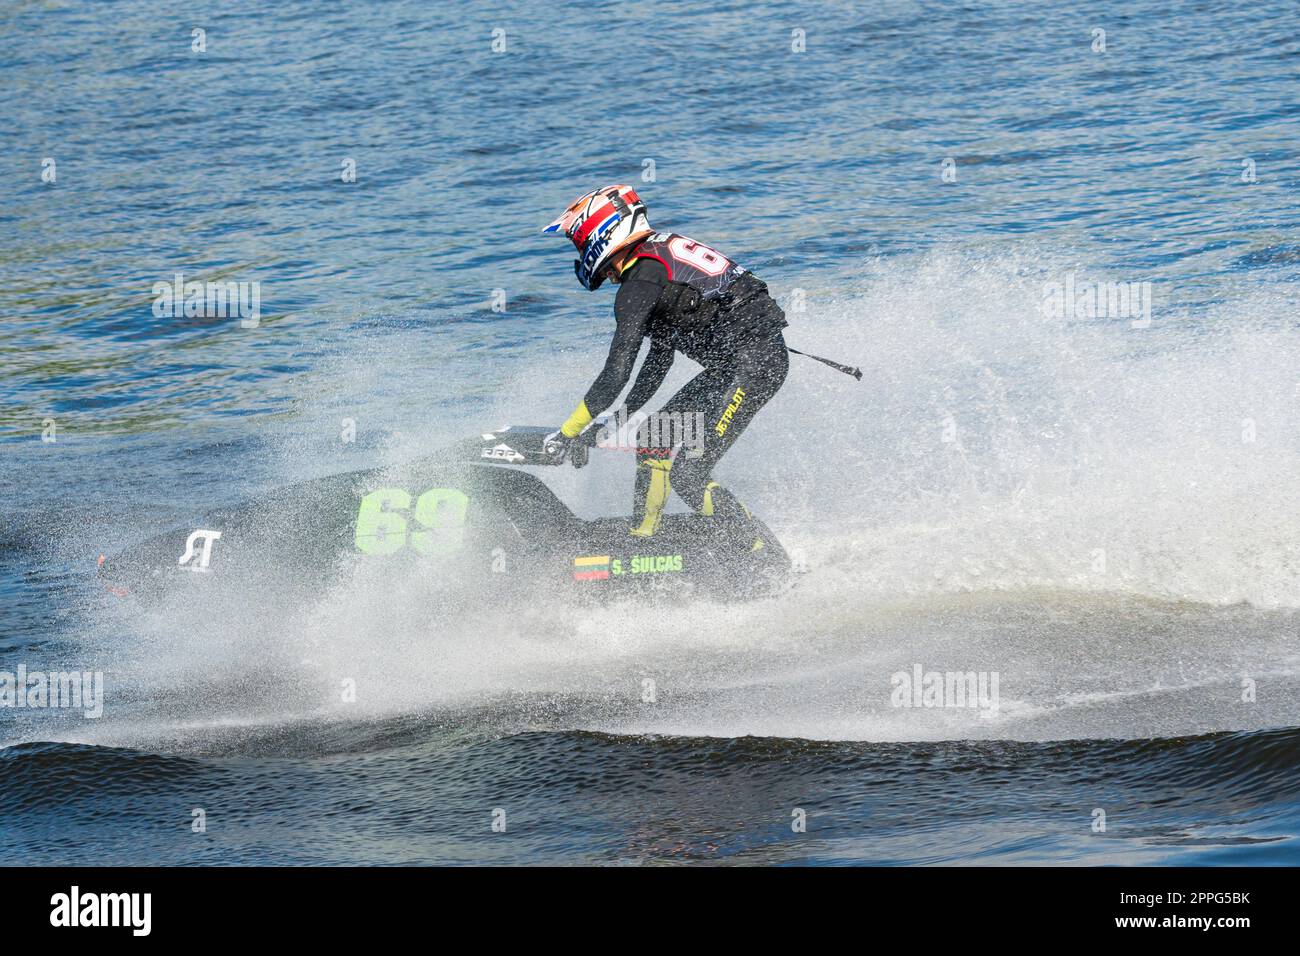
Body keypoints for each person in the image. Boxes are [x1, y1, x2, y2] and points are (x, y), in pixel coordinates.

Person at [542, 184, 789, 546]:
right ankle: (644, 540)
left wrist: (565, 434)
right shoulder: (654, 259)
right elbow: (657, 363)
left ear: (600, 234)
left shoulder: (640, 282)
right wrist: (614, 423)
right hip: (745, 362)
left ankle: (755, 546)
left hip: (753, 366)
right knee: (655, 434)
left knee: (688, 474)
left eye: (580, 244)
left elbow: (616, 373)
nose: (582, 256)